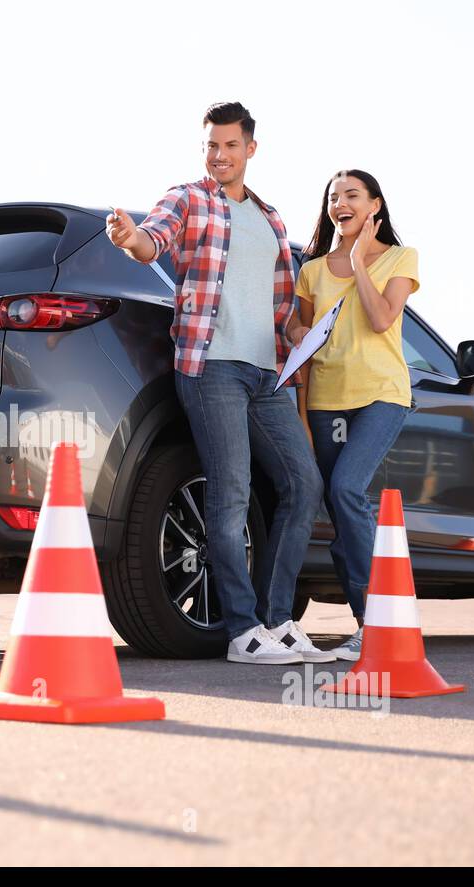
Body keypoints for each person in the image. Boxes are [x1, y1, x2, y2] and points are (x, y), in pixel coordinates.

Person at [106, 102, 330, 665]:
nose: (219, 155)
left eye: (230, 145)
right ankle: (242, 630)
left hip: (268, 374)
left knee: (304, 487)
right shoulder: (188, 199)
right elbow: (151, 241)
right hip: (211, 367)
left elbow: (280, 304)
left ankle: (278, 622)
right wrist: (130, 238)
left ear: (250, 148)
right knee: (228, 493)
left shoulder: (273, 218)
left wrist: (303, 331)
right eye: (211, 145)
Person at [287, 169, 419, 661]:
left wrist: (361, 260)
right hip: (325, 398)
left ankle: (374, 621)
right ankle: (373, 620)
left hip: (382, 393)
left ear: (374, 206)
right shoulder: (311, 270)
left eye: (351, 195)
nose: (340, 203)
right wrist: (297, 332)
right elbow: (299, 330)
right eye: (333, 197)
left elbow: (383, 317)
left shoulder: (401, 258)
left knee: (346, 489)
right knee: (341, 512)